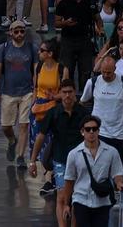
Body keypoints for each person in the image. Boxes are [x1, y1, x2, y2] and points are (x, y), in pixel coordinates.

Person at [30, 79, 88, 218]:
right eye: (64, 92)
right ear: (60, 94)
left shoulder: (83, 113)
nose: (67, 95)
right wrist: (32, 161)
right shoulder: (53, 112)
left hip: (80, 161)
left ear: (75, 93)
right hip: (60, 159)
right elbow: (41, 136)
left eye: (70, 92)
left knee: (77, 198)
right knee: (61, 196)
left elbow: (92, 136)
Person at [61, 114, 123, 227]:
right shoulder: (74, 154)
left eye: (94, 129)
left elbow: (117, 173)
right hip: (81, 199)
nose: (91, 132)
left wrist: (119, 183)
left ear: (98, 131)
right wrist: (66, 204)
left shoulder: (111, 152)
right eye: (88, 129)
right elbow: (69, 181)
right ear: (82, 132)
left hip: (102, 200)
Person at [0, 20, 40, 164]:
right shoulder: (3, 48)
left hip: (27, 92)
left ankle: (20, 157)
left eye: (22, 31)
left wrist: (36, 90)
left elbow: (36, 71)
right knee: (6, 126)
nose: (20, 34)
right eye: (16, 31)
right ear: (10, 33)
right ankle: (12, 140)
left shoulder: (32, 48)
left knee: (24, 124)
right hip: (8, 92)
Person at [31, 40, 70, 197]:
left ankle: (49, 178)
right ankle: (48, 177)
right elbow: (35, 88)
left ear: (50, 53)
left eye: (42, 50)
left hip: (53, 108)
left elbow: (66, 92)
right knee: (39, 143)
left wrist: (55, 96)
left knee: (51, 143)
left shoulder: (61, 69)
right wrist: (33, 105)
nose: (39, 53)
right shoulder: (38, 67)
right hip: (39, 108)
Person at [82, 56, 123, 164]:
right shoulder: (93, 82)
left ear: (115, 69)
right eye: (103, 72)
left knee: (118, 166)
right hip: (99, 133)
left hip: (119, 134)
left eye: (109, 72)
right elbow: (82, 102)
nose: (105, 75)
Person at [56, 0, 97, 91]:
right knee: (67, 69)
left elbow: (97, 18)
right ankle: (69, 92)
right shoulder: (64, 3)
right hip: (68, 39)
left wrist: (99, 28)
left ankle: (84, 94)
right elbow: (56, 22)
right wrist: (65, 23)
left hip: (85, 39)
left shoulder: (89, 2)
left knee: (85, 70)